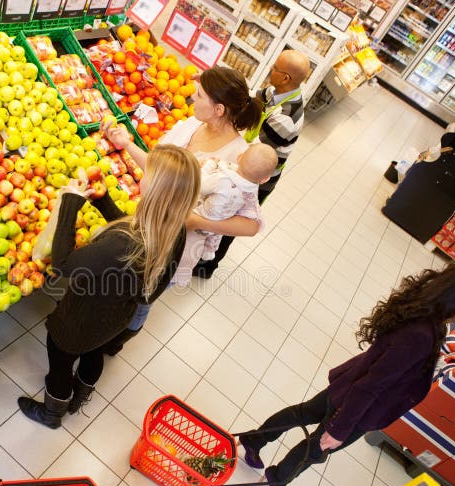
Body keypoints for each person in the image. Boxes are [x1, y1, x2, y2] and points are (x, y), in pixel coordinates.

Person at [237, 263, 455, 486]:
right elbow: (372, 386)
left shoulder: (425, 313)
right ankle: (279, 479)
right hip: (361, 406)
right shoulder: (422, 335)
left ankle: (253, 440)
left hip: (350, 382)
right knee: (318, 447)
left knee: (303, 412)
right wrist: (340, 428)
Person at [17, 145, 201, 429]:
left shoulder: (123, 244)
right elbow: (148, 287)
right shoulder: (172, 232)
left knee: (60, 360)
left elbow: (63, 265)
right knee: (93, 353)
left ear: (156, 189)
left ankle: (52, 413)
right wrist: (103, 203)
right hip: (116, 318)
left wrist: (70, 203)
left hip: (79, 320)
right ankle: (80, 395)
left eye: (148, 173)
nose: (142, 175)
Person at [101, 67, 264, 353]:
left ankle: (116, 341)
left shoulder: (239, 156)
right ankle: (105, 324)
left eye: (199, 95)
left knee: (143, 297)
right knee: (123, 283)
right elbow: (157, 167)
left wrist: (197, 221)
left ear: (218, 109)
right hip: (145, 224)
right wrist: (125, 144)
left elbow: (251, 225)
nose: (192, 98)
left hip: (175, 246)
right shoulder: (191, 125)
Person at [195, 50, 311, 279]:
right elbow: (249, 101)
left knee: (233, 219)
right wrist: (215, 91)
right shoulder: (275, 91)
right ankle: (203, 249)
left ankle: (208, 266)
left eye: (275, 68)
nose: (270, 69)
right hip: (245, 163)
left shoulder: (287, 117)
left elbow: (258, 154)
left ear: (286, 78)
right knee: (221, 205)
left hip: (257, 176)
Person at [172, 143, 279, 287]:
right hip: (219, 224)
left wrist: (208, 165)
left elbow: (201, 185)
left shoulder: (222, 179)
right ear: (265, 179)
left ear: (239, 157)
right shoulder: (251, 194)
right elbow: (253, 215)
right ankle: (207, 252)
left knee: (181, 243)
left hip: (200, 213)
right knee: (200, 246)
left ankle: (171, 269)